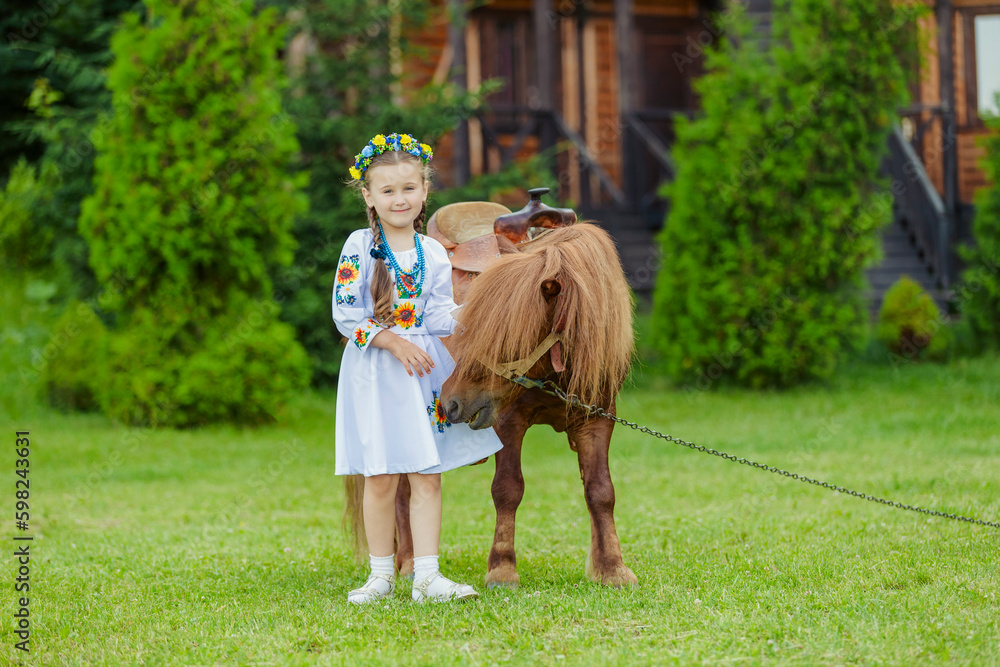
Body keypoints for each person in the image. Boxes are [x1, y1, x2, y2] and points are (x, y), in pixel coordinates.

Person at [333, 133, 503, 604]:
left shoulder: (431, 251)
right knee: (381, 475)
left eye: (408, 188)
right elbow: (346, 314)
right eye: (387, 191)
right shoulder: (358, 246)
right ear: (368, 195)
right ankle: (380, 575)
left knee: (428, 474)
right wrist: (390, 341)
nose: (399, 199)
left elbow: (437, 315)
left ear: (425, 191)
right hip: (376, 375)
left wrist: (478, 309)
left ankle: (427, 576)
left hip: (423, 373)